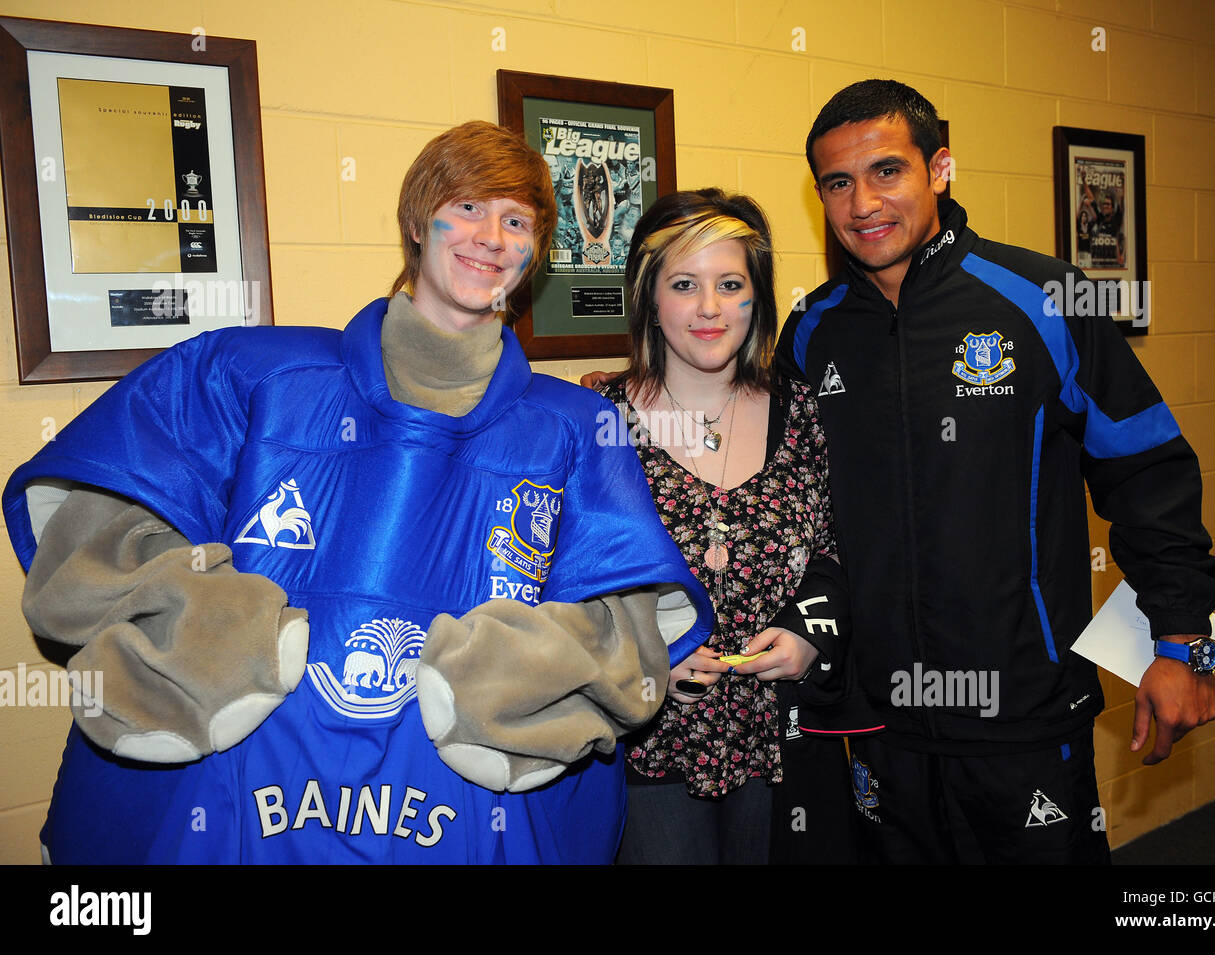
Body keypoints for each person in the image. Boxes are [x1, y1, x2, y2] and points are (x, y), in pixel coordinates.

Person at [3, 120, 713, 864]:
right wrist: (210, 627)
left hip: (457, 824)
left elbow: (620, 625)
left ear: (536, 252)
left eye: (516, 221)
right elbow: (98, 531)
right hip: (241, 809)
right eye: (468, 208)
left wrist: (514, 673)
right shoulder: (253, 372)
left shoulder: (574, 426)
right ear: (418, 221)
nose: (491, 237)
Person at [777, 79, 1215, 863]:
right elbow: (778, 490)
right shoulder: (813, 331)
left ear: (939, 168)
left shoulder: (1047, 298)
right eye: (837, 183)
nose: (862, 203)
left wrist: (1183, 642)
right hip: (879, 720)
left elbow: (1149, 473)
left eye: (887, 171)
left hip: (1025, 713)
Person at [595, 189, 868, 864]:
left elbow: (835, 553)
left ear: (757, 297)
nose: (709, 308)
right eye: (684, 284)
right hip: (650, 745)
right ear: (649, 297)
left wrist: (809, 634)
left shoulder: (803, 411)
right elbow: (567, 584)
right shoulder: (596, 422)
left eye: (730, 284)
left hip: (783, 737)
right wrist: (645, 654)